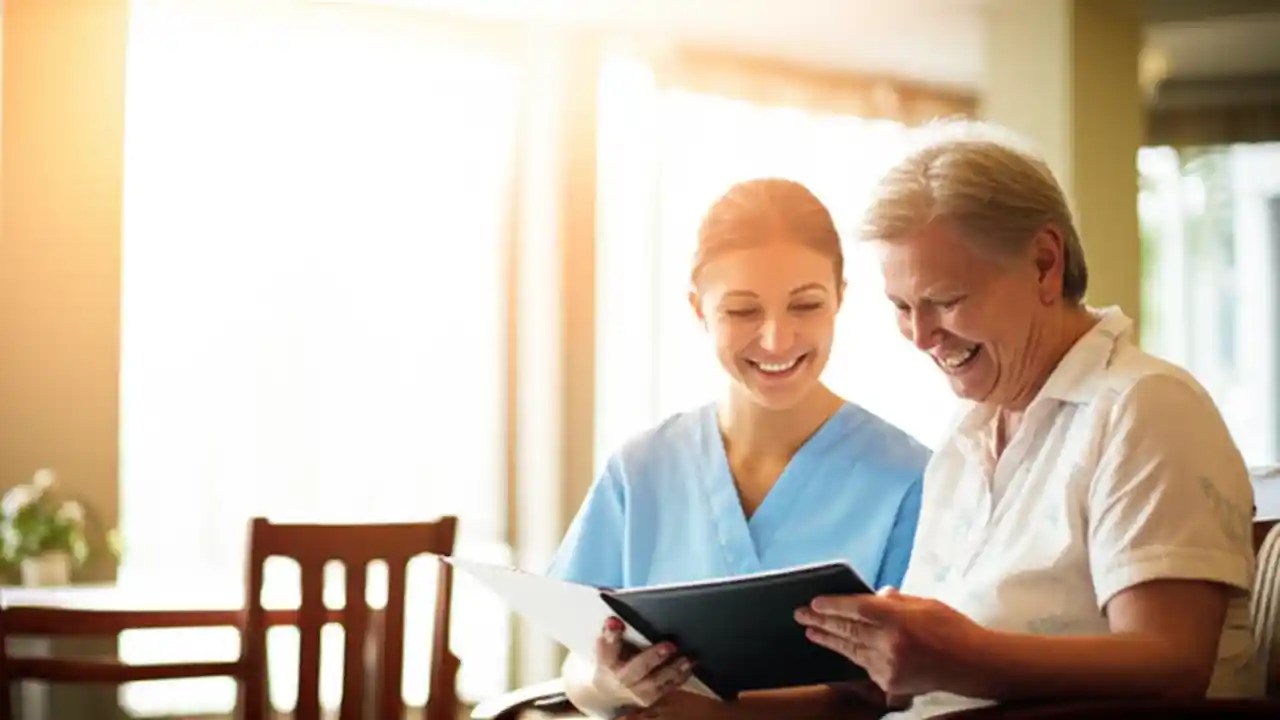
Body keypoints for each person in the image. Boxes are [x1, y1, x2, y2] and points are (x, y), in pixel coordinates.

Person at [794, 121, 1258, 718]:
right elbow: (903, 686)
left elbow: (1173, 666)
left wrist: (964, 655)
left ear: (1044, 264)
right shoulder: (967, 441)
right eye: (903, 307)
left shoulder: (1144, 407)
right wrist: (700, 702)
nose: (920, 335)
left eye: (947, 300)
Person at [549, 178, 931, 718]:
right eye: (742, 312)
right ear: (698, 309)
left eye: (806, 305)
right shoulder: (639, 472)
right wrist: (611, 683)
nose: (777, 339)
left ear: (840, 297)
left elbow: (905, 691)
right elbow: (578, 666)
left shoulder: (909, 479)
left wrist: (724, 716)